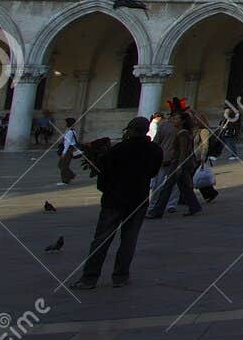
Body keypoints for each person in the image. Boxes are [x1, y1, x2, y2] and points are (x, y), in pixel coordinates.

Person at [76, 117, 164, 289]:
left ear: (131, 130)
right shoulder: (155, 150)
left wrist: (106, 189)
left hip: (114, 199)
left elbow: (104, 174)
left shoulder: (119, 149)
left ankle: (89, 278)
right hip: (138, 199)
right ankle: (121, 276)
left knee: (101, 239)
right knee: (129, 240)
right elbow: (153, 172)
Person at [146, 105, 202, 218]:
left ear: (182, 121)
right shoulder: (181, 132)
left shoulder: (183, 134)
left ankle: (157, 211)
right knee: (184, 187)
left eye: (176, 119)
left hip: (178, 163)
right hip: (178, 163)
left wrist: (179, 166)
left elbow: (183, 151)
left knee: (167, 187)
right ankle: (194, 206)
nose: (173, 120)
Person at [57, 117, 81, 185]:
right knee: (62, 165)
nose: (64, 124)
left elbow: (67, 143)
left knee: (63, 165)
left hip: (68, 150)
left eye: (65, 123)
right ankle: (71, 175)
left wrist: (64, 152)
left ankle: (65, 180)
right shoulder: (71, 131)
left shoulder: (70, 132)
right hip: (70, 149)